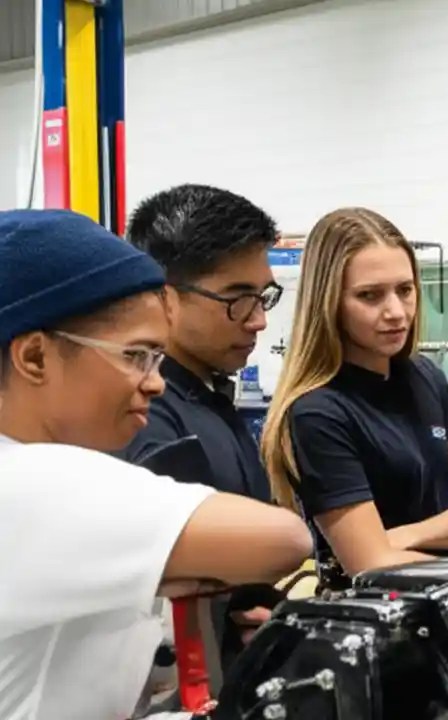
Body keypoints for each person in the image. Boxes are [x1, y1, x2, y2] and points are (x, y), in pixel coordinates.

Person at [0, 209, 313, 720]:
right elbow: (282, 539)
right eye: (136, 355)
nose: (155, 382)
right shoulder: (30, 481)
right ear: (34, 357)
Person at [260, 207, 448, 590]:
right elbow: (370, 565)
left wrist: (403, 537)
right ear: (329, 301)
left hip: (443, 601)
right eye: (370, 296)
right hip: (374, 619)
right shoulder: (317, 411)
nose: (396, 312)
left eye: (405, 290)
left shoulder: (425, 376)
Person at [122, 184, 284, 665]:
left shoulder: (210, 397)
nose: (257, 321)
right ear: (166, 296)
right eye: (237, 299)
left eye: (263, 297)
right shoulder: (144, 414)